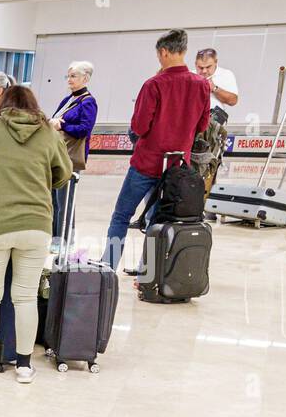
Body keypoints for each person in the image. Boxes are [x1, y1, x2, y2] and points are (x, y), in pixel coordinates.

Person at [0, 85, 72, 384]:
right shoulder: (48, 133)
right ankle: (24, 366)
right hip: (36, 225)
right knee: (26, 298)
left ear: (3, 104)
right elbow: (64, 173)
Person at [100, 29, 210, 271]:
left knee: (121, 216)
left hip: (146, 163)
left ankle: (108, 267)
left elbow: (139, 126)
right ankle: (147, 272)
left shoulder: (154, 84)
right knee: (157, 220)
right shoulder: (201, 85)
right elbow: (202, 125)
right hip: (176, 169)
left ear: (163, 52)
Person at [49, 60, 99, 249]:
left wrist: (63, 125)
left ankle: (65, 240)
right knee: (55, 200)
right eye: (68, 76)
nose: (69, 79)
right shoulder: (68, 99)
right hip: (57, 155)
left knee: (65, 201)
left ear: (85, 78)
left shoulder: (88, 102)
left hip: (70, 158)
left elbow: (85, 129)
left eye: (73, 76)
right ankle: (56, 238)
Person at [193, 48, 237, 197]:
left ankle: (207, 202)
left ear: (216, 62)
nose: (204, 71)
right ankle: (191, 200)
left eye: (208, 67)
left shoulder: (226, 75)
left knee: (211, 164)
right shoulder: (191, 76)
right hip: (194, 126)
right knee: (193, 164)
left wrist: (214, 88)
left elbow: (233, 100)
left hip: (215, 128)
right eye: (200, 67)